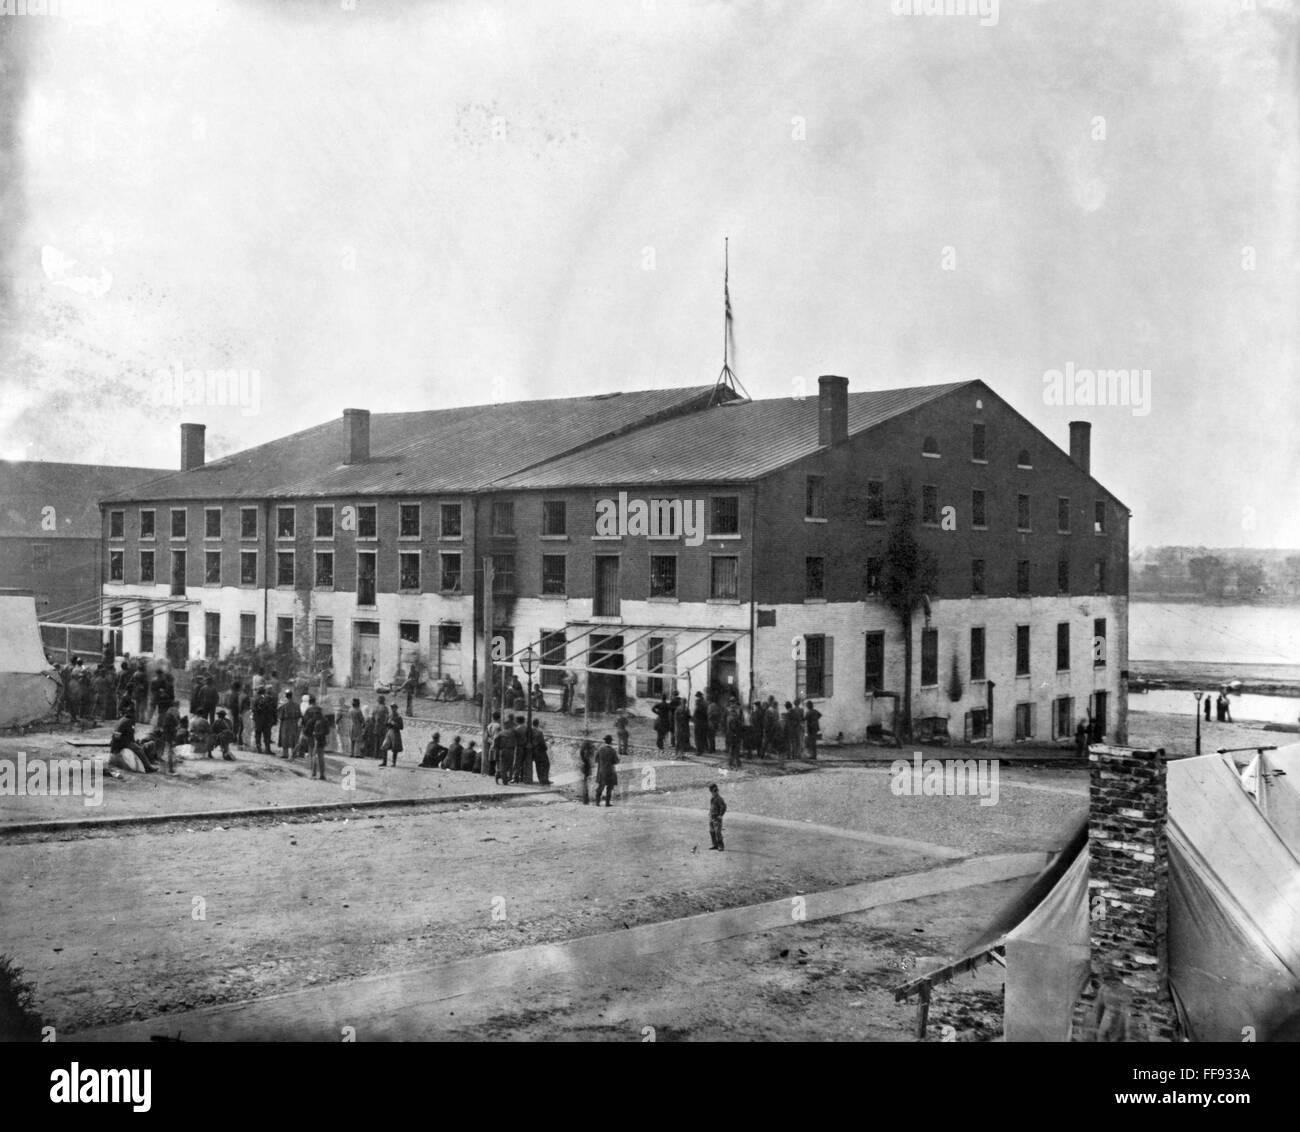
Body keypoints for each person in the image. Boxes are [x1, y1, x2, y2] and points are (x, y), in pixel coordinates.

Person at [110, 707, 158, 773]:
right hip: (122, 743)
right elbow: (117, 735)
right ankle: (148, 767)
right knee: (139, 749)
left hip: (121, 742)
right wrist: (117, 748)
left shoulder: (123, 719)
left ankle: (148, 762)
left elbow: (125, 735)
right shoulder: (129, 721)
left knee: (141, 746)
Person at [594, 734, 619, 807]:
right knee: (610, 787)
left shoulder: (600, 749)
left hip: (601, 771)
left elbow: (596, 760)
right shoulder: (612, 751)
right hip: (610, 771)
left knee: (600, 787)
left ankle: (597, 802)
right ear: (611, 742)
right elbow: (616, 761)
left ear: (604, 741)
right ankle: (607, 803)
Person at [277, 689, 301, 760]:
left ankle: (285, 753)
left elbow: (280, 716)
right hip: (294, 723)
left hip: (285, 723)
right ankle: (294, 753)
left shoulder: (283, 705)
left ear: (285, 696)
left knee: (285, 737)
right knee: (293, 737)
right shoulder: (297, 705)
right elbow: (299, 715)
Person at [380, 703, 404, 767]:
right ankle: (384, 762)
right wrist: (388, 722)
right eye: (392, 707)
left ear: (396, 708)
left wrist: (395, 724)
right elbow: (385, 724)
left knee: (395, 748)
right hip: (389, 731)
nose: (393, 709)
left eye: (394, 707)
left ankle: (394, 763)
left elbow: (401, 727)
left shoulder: (399, 717)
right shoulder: (389, 716)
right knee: (384, 746)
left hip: (395, 732)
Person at [159, 700, 180, 774]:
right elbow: (175, 726)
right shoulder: (174, 713)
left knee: (164, 752)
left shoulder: (168, 713)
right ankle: (170, 769)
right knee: (170, 752)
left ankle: (163, 769)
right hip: (170, 735)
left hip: (165, 734)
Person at [495, 715, 517, 785]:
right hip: (511, 751)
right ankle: (507, 778)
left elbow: (496, 742)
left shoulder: (500, 733)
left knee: (503, 765)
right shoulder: (513, 732)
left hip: (503, 750)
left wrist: (497, 750)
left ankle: (503, 778)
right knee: (509, 765)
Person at [708, 783, 727, 851]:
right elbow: (712, 807)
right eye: (714, 791)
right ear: (711, 791)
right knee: (712, 831)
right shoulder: (712, 798)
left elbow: (724, 807)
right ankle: (715, 845)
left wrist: (720, 815)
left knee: (718, 832)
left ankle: (721, 846)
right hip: (712, 817)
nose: (716, 792)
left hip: (717, 818)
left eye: (716, 790)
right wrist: (710, 814)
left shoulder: (719, 799)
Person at [725, 701, 743, 769]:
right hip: (734, 735)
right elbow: (734, 727)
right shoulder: (734, 717)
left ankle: (733, 762)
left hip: (731, 735)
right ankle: (733, 763)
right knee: (735, 749)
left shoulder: (729, 717)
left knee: (732, 749)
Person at [485, 711, 502, 779]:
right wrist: (494, 743)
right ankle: (497, 773)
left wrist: (491, 742)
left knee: (491, 759)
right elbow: (497, 736)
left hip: (491, 743)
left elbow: (486, 737)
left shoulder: (489, 725)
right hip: (496, 744)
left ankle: (490, 773)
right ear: (499, 718)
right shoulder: (498, 726)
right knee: (497, 759)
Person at [577, 739, 594, 804]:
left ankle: (585, 797)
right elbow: (588, 758)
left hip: (584, 767)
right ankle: (585, 797)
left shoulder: (582, 751)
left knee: (585, 782)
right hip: (586, 767)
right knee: (586, 782)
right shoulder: (587, 752)